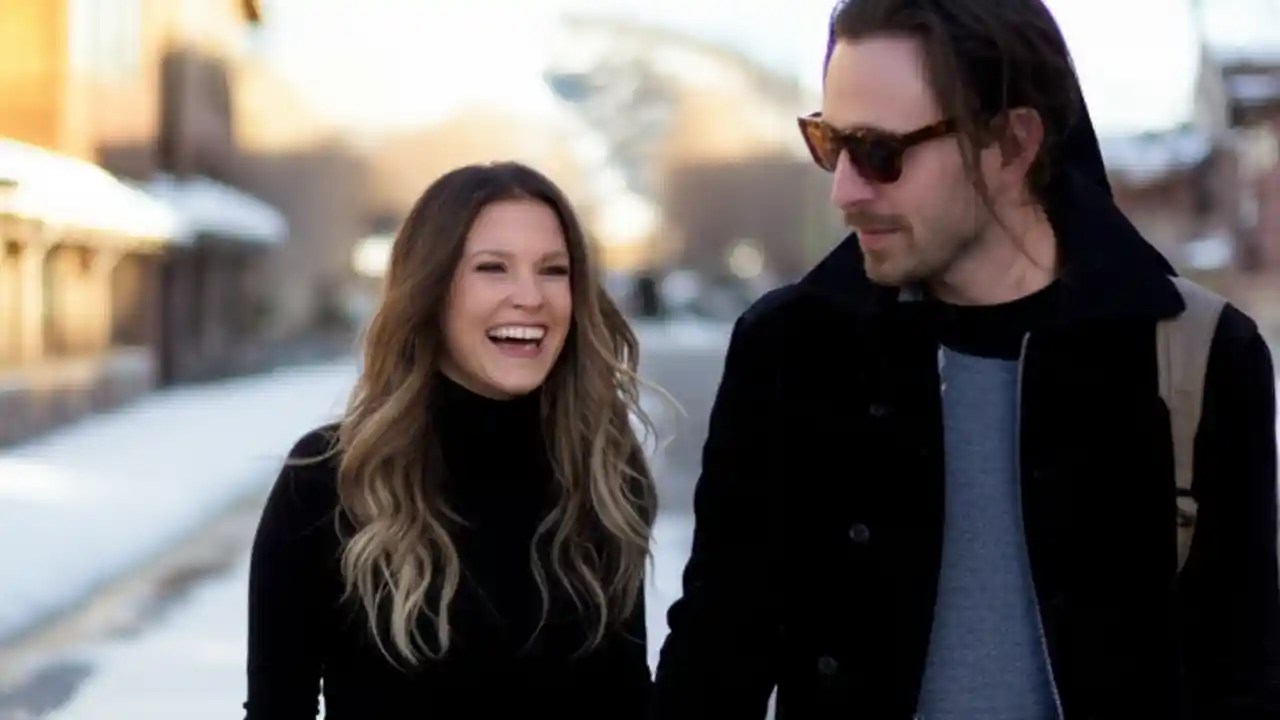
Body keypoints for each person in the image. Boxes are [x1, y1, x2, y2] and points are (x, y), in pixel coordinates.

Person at [650, 0, 1280, 718]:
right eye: (830, 142)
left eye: (880, 153)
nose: (845, 190)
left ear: (1012, 143)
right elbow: (713, 662)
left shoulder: (1196, 354)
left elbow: (1242, 677)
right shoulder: (793, 349)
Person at [243, 161, 657, 719]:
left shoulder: (604, 471)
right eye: (493, 268)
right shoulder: (330, 478)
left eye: (553, 270)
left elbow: (628, 696)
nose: (530, 296)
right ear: (432, 290)